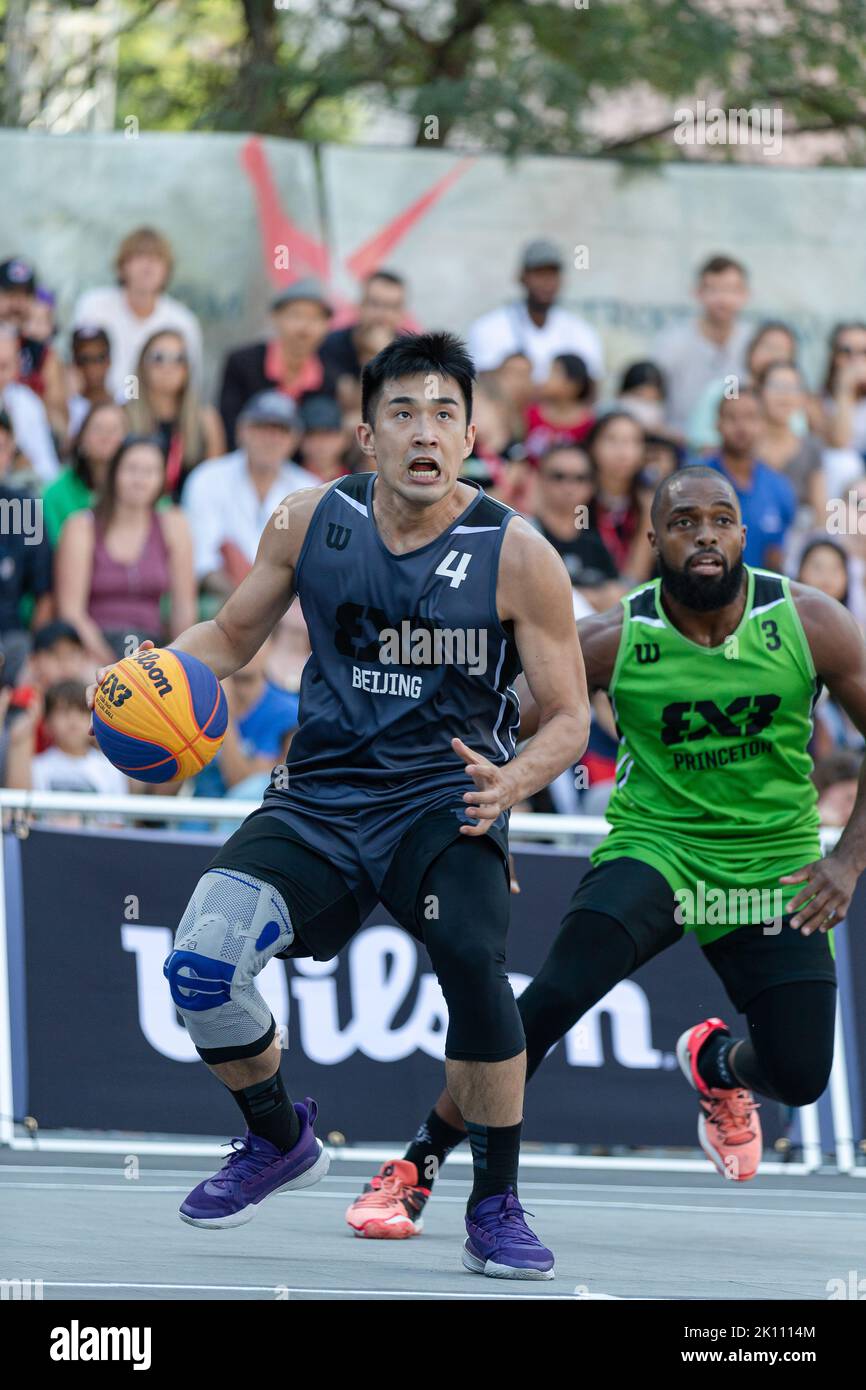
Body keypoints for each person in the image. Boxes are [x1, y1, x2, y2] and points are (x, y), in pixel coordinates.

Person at [88, 332, 587, 1279]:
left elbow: (566, 719)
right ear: (366, 435)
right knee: (199, 964)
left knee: (476, 970)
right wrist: (142, 679)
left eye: (445, 413)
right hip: (318, 798)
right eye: (403, 412)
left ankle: (496, 1201)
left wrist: (516, 780)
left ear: (473, 437)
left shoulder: (518, 555)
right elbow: (230, 634)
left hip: (447, 802)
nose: (425, 431)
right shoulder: (309, 520)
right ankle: (278, 1139)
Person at [345, 465, 864, 1237]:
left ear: (744, 536)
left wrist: (847, 859)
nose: (706, 535)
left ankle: (716, 1066)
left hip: (770, 867)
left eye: (721, 520)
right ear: (654, 540)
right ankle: (418, 1163)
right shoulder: (614, 638)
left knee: (800, 1075)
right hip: (657, 851)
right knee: (547, 1004)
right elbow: (498, 731)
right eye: (685, 522)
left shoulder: (811, 621)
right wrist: (497, 815)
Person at [56, 434, 196, 663]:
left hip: (153, 649)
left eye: (150, 471)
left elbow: (184, 609)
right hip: (93, 648)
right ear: (114, 473)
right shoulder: (81, 527)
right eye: (131, 469)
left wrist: (176, 660)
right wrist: (110, 661)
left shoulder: (174, 525)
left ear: (162, 478)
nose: (140, 480)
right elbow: (72, 613)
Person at [181, 391, 315, 596]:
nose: (271, 439)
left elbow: (313, 564)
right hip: (223, 601)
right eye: (261, 427)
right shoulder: (208, 478)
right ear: (241, 431)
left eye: (281, 430)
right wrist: (248, 604)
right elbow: (202, 561)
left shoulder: (310, 488)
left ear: (295, 440)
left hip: (290, 605)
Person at [72, 227, 203, 398]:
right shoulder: (94, 306)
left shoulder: (182, 322)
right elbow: (75, 370)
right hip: (98, 409)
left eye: (157, 259)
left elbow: (191, 384)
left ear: (167, 271)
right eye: (139, 256)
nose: (148, 266)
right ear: (122, 265)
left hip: (156, 414)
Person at [466, 239, 604, 385]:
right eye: (539, 274)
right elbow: (487, 386)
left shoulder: (581, 330)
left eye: (552, 274)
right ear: (521, 277)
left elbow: (590, 388)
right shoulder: (489, 327)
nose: (546, 282)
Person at [218, 278, 335, 449]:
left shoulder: (329, 378)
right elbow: (228, 426)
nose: (305, 327)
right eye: (296, 315)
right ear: (275, 317)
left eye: (315, 318)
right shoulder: (242, 363)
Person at [653, 255, 751, 444]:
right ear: (697, 293)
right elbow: (650, 402)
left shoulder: (755, 343)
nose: (723, 299)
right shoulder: (671, 342)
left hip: (740, 451)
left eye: (731, 290)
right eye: (713, 289)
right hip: (680, 447)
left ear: (745, 295)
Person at [125, 329, 225, 500]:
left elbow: (214, 485)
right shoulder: (123, 416)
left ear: (188, 369)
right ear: (142, 365)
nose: (168, 367)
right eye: (158, 358)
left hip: (190, 518)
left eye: (179, 359)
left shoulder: (206, 419)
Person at [704, 389, 797, 571]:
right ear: (717, 423)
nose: (741, 426)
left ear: (763, 424)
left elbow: (781, 557)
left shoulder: (780, 487)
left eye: (750, 417)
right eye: (732, 417)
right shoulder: (693, 479)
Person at [528, 444, 619, 608]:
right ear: (538, 479)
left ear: (592, 486)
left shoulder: (596, 541)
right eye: (559, 476)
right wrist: (591, 598)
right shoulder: (522, 535)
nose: (569, 486)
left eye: (580, 478)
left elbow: (617, 595)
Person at [5, 678, 129, 797]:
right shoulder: (36, 767)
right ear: (47, 723)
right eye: (63, 711)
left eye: (81, 711)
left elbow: (117, 817)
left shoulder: (111, 770)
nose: (73, 720)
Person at [318, 270, 407, 411]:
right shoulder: (331, 344)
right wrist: (374, 357)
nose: (382, 314)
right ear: (360, 305)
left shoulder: (410, 352)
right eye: (375, 304)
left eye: (392, 307)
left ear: (401, 314)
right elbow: (355, 409)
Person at [42, 401, 127, 546]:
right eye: (98, 429)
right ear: (82, 438)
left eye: (114, 430)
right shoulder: (56, 492)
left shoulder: (143, 485)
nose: (105, 436)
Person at [585, 410, 654, 582]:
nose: (623, 451)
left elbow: (637, 577)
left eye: (633, 442)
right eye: (612, 440)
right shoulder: (577, 497)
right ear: (592, 446)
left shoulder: (648, 504)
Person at [755, 361, 827, 520]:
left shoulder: (812, 446)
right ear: (760, 392)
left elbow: (820, 510)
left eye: (793, 388)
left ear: (802, 398)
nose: (785, 395)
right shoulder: (744, 445)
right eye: (776, 386)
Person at [0, 323, 59, 482]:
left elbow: (47, 468)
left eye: (4, 366)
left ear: (17, 366)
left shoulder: (27, 402)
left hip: (18, 491)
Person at [523, 353, 595, 464]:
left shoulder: (588, 424)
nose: (546, 379)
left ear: (573, 384)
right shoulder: (531, 414)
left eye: (554, 373)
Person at [66, 327, 114, 442]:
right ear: (74, 363)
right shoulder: (68, 407)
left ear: (109, 361)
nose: (92, 366)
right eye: (84, 359)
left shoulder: (123, 401)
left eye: (99, 358)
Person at [295, 394, 348, 482]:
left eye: (328, 434)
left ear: (343, 438)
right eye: (312, 435)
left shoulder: (358, 481)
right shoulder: (286, 479)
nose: (320, 444)